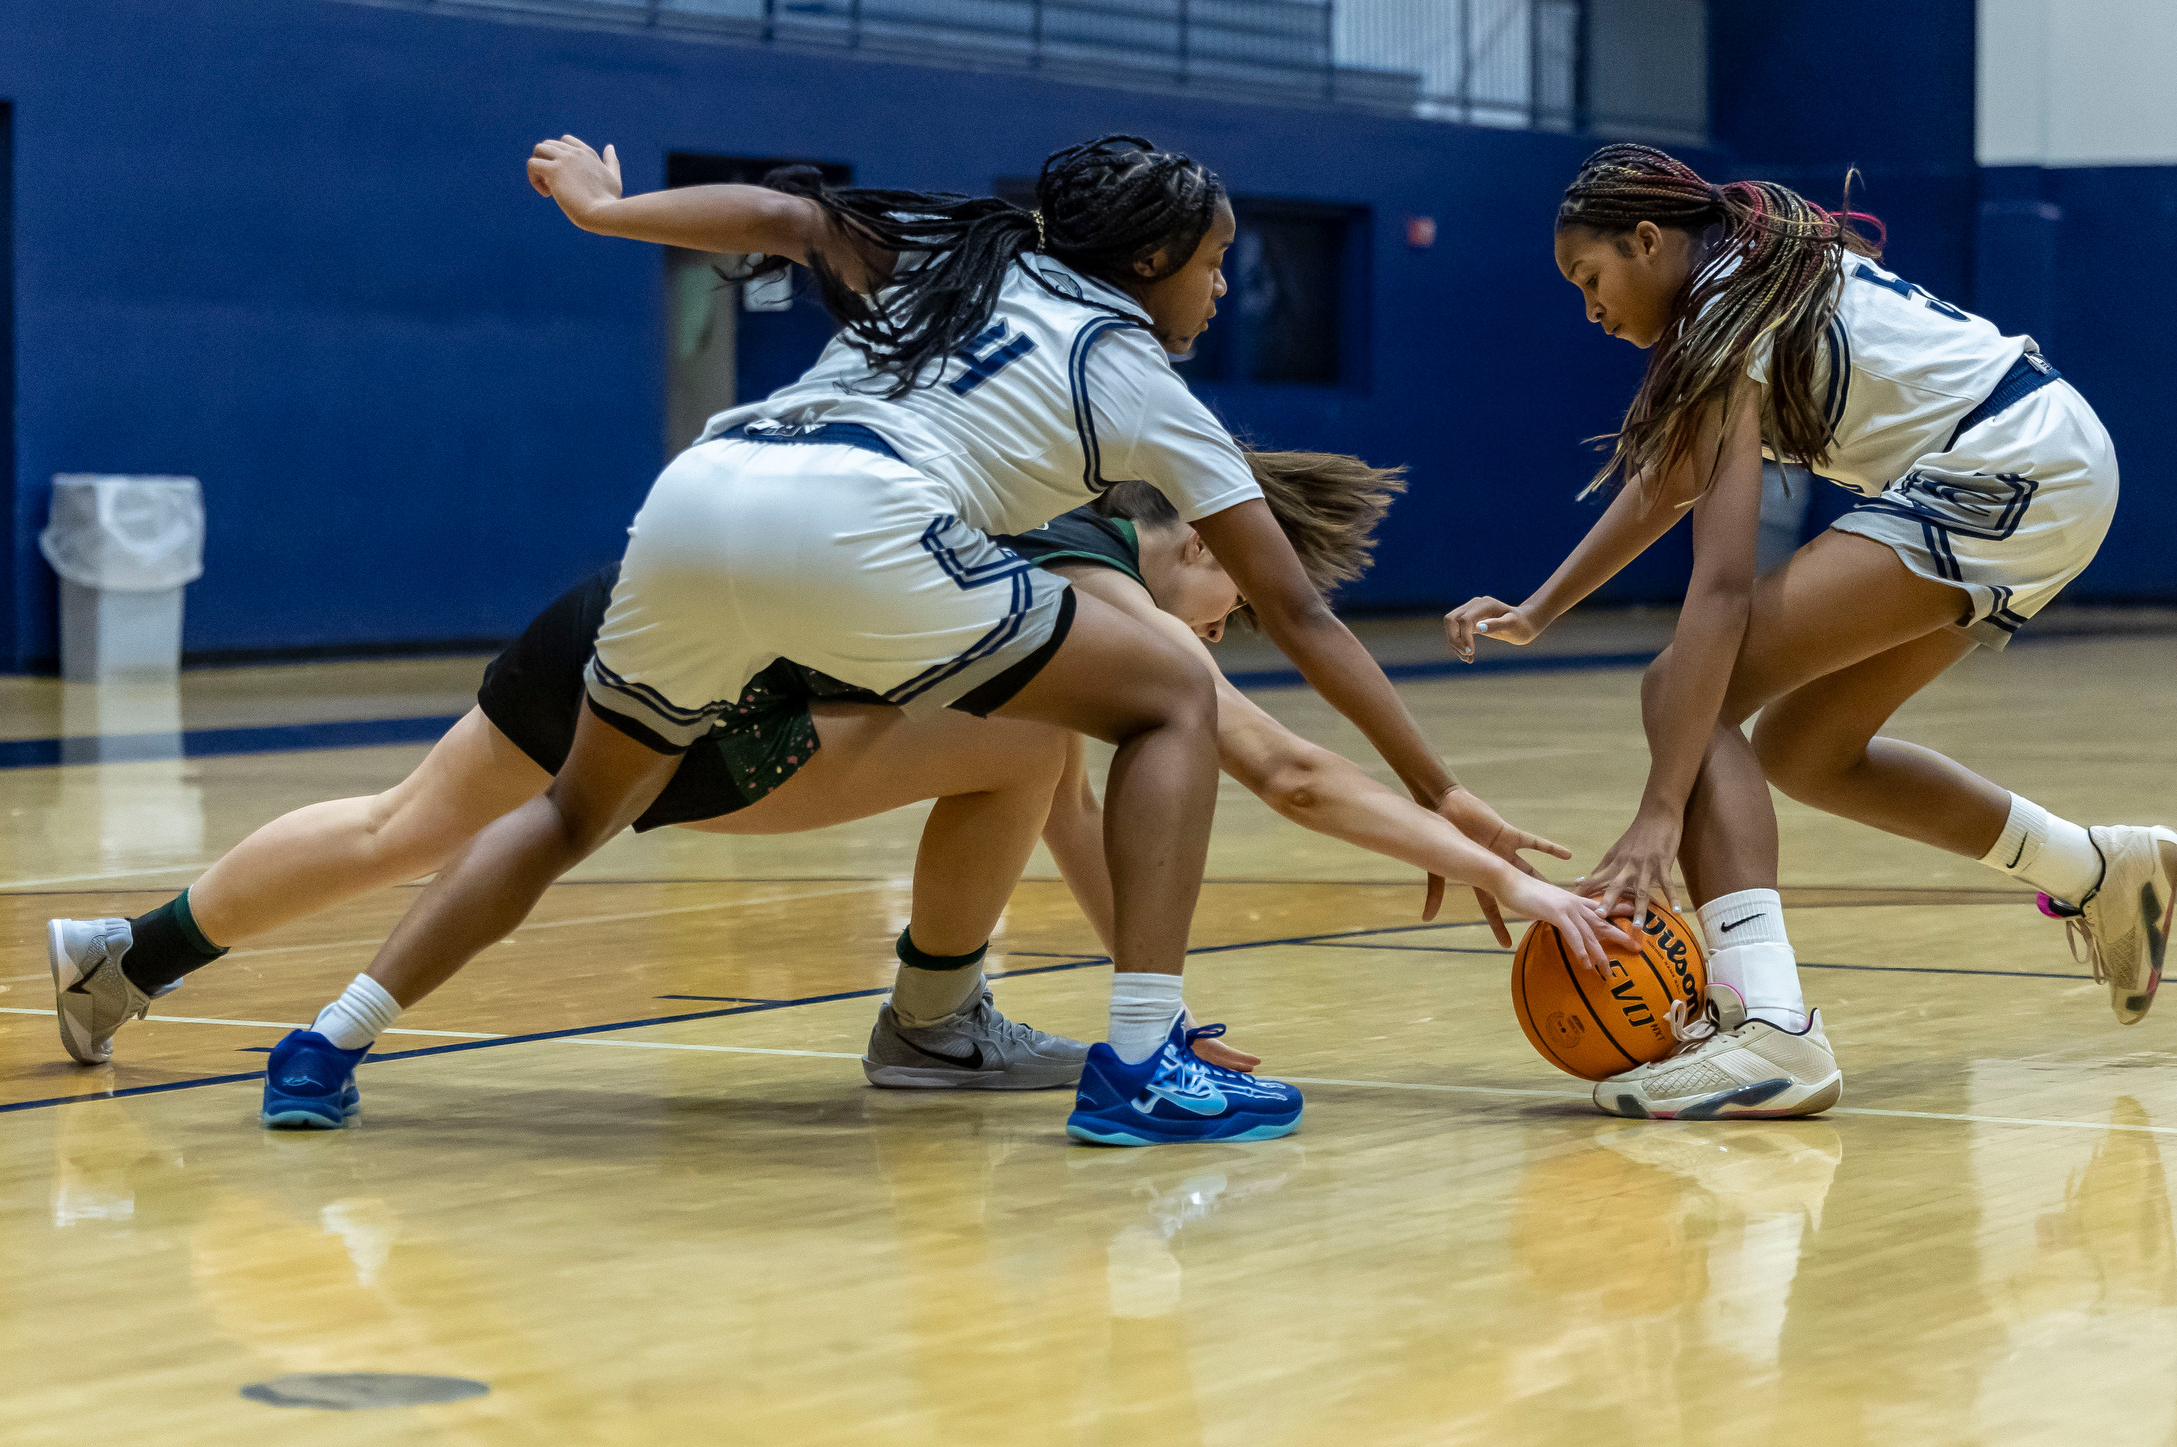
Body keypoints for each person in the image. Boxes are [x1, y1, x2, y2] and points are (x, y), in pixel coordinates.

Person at [51, 453, 1619, 1130]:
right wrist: (1518, 877)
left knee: (407, 823)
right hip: (732, 708)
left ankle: (133, 955)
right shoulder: (1108, 595)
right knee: (1037, 739)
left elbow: (1082, 818)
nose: (1227, 630)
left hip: (622, 603)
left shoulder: (1021, 496)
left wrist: (1158, 993)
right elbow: (1271, 765)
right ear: (1191, 544)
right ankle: (934, 1026)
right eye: (1237, 603)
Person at [1444, 143, 2177, 1121]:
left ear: (1649, 240)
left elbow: (1717, 588)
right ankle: (2091, 868)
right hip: (2040, 461)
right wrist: (1540, 609)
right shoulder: (1736, 281)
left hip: (2007, 465)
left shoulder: (1718, 303)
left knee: (1681, 689)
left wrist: (1660, 809)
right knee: (1804, 748)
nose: (1587, 306)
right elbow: (1669, 483)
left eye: (1590, 277)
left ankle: (1770, 1032)